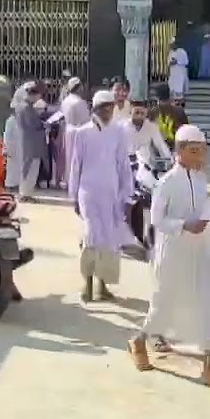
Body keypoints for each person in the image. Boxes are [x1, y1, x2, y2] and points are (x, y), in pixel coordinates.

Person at [128, 124, 210, 390]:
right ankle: (139, 341)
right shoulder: (167, 182)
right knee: (164, 302)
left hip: (197, 249)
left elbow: (203, 207)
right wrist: (183, 226)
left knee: (204, 300)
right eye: (194, 150)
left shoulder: (200, 178)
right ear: (179, 151)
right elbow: (156, 219)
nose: (200, 155)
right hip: (173, 250)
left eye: (202, 150)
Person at [69, 90, 136, 302]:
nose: (109, 110)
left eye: (111, 106)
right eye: (105, 107)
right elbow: (75, 166)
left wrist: (127, 194)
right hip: (88, 192)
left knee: (109, 239)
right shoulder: (83, 133)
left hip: (112, 194)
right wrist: (73, 196)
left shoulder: (118, 132)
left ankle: (102, 285)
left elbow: (123, 165)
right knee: (91, 236)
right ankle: (87, 284)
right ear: (96, 109)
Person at [12, 86, 48, 201]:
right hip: (31, 140)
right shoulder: (26, 108)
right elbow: (33, 124)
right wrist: (44, 125)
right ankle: (25, 193)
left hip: (27, 139)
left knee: (28, 165)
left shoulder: (22, 106)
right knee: (31, 166)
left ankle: (26, 192)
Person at [60, 77, 91, 184]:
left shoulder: (65, 101)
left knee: (68, 157)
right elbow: (86, 119)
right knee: (77, 157)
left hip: (68, 130)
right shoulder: (79, 102)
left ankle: (68, 179)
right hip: (78, 131)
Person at [150, 84, 190, 148]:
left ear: (157, 96)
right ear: (169, 94)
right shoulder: (179, 110)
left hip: (157, 148)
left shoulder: (152, 112)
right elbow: (186, 130)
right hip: (175, 146)